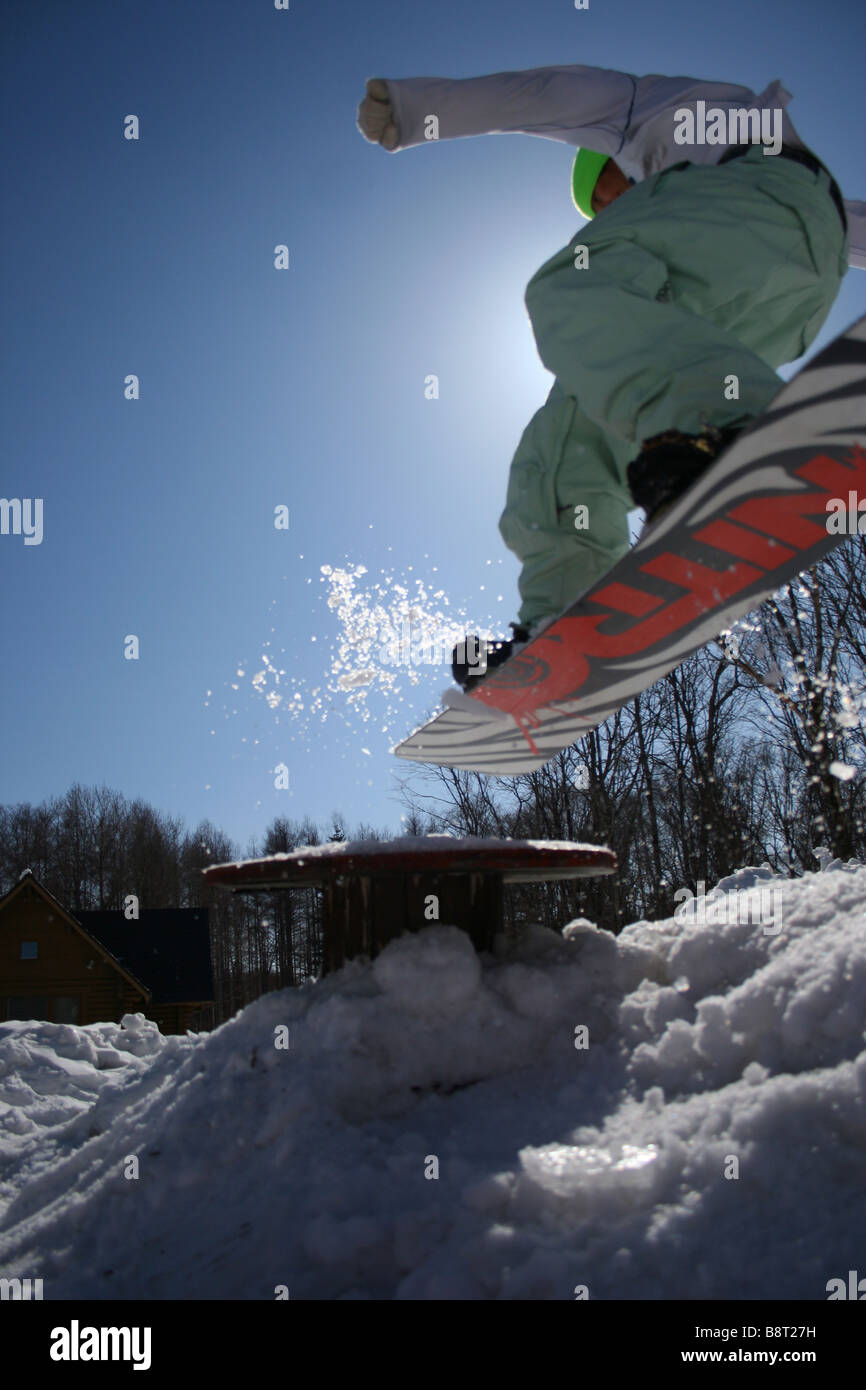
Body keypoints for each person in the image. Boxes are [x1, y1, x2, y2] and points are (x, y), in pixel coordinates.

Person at [357, 64, 864, 687]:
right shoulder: (701, 208)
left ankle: (726, 437)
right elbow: (847, 224)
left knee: (571, 287)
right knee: (573, 423)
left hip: (767, 209)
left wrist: (418, 107)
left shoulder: (649, 115)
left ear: (610, 163)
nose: (611, 212)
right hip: (777, 291)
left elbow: (546, 97)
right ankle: (564, 611)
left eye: (606, 199)